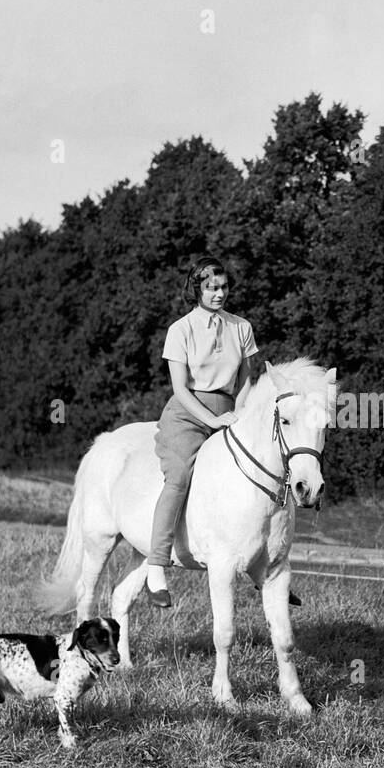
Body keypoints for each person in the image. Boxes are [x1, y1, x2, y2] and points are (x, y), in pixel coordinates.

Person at [145, 256, 257, 607]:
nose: (219, 293)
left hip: (230, 412)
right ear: (197, 290)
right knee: (179, 476)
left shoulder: (242, 327)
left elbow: (247, 381)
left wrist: (239, 416)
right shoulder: (181, 329)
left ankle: (261, 566)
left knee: (257, 473)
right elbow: (180, 389)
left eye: (223, 287)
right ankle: (157, 565)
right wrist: (212, 422)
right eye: (211, 288)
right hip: (189, 413)